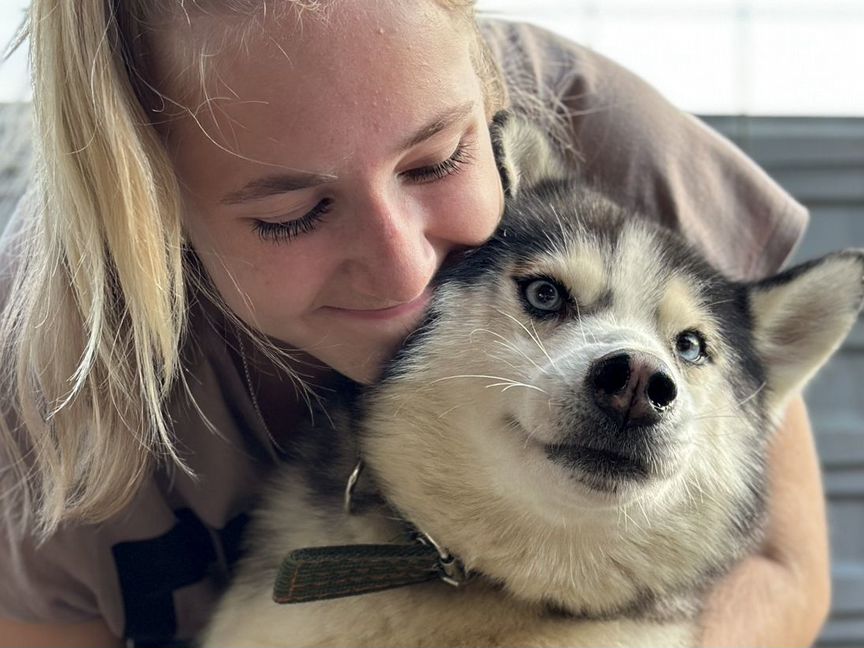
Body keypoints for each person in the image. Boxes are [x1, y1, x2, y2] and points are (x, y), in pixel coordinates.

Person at [0, 1, 829, 646]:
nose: (406, 272)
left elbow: (782, 568)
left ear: (488, 93)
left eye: (440, 161)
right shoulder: (38, 370)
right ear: (152, 209)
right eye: (295, 211)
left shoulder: (593, 138)